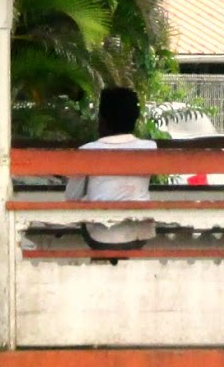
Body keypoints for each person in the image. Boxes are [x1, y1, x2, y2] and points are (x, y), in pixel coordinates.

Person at [63, 87, 156, 250]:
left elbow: (72, 197)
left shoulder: (87, 151)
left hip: (99, 236)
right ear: (135, 119)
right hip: (140, 232)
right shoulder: (150, 147)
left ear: (102, 119)